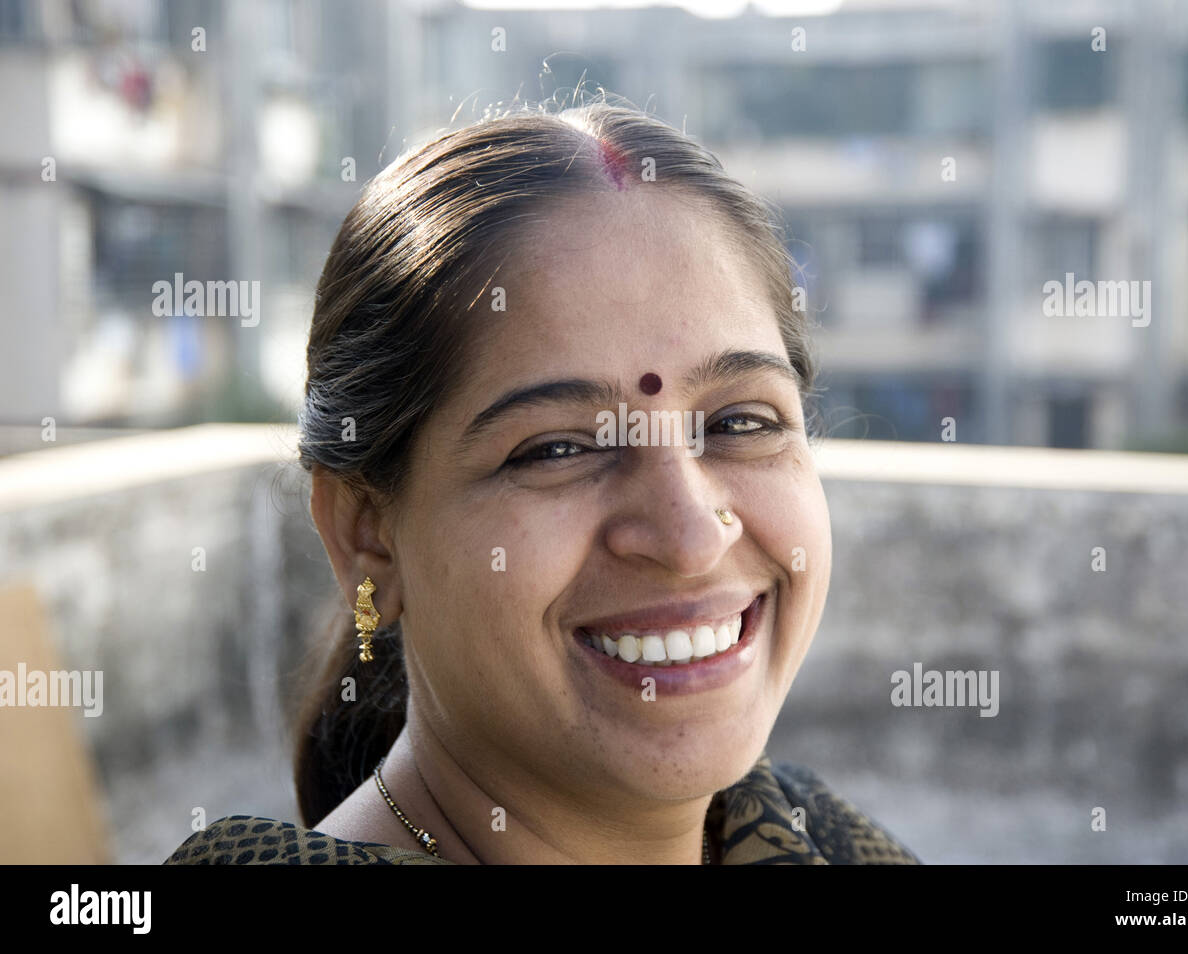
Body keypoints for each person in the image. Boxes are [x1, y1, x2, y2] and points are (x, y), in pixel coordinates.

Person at [164, 96, 918, 865]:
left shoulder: (817, 839)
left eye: (739, 424)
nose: (690, 536)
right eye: (558, 449)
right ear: (367, 537)